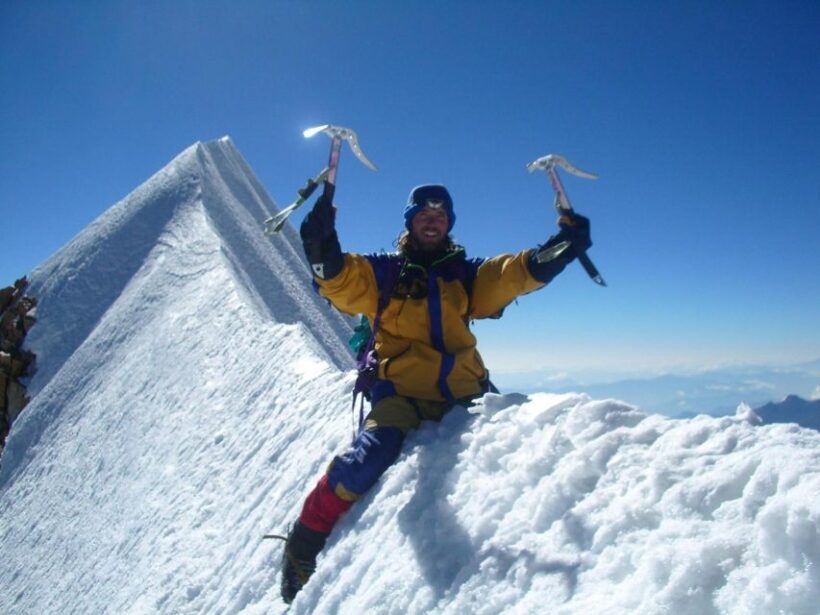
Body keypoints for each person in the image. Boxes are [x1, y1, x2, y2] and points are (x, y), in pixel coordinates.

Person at [280, 184, 592, 603]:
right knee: (366, 459)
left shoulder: (464, 275)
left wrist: (559, 250)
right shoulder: (385, 273)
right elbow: (342, 282)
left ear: (449, 224)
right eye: (425, 214)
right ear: (410, 221)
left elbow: (510, 275)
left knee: (526, 443)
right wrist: (321, 249)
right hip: (401, 395)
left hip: (466, 392)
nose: (433, 220)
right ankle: (303, 542)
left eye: (441, 215)